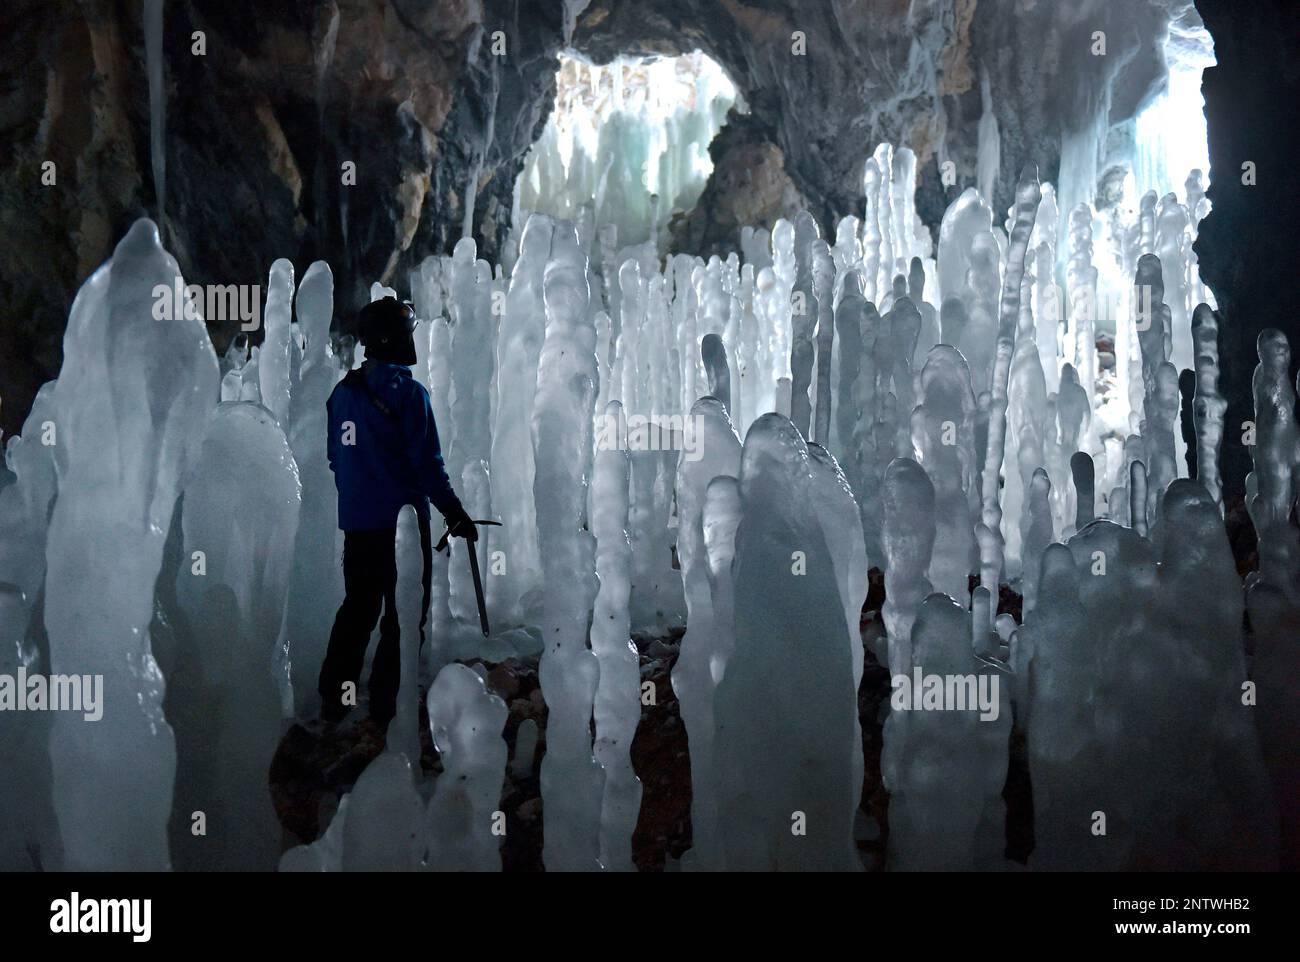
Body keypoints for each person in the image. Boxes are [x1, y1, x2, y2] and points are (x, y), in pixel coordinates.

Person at [318, 296, 477, 725]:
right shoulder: (409, 394)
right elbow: (428, 466)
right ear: (390, 339)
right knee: (404, 618)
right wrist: (454, 512)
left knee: (358, 609)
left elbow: (336, 457)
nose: (413, 340)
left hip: (358, 526)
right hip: (402, 528)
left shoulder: (342, 394)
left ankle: (336, 700)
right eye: (406, 332)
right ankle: (388, 709)